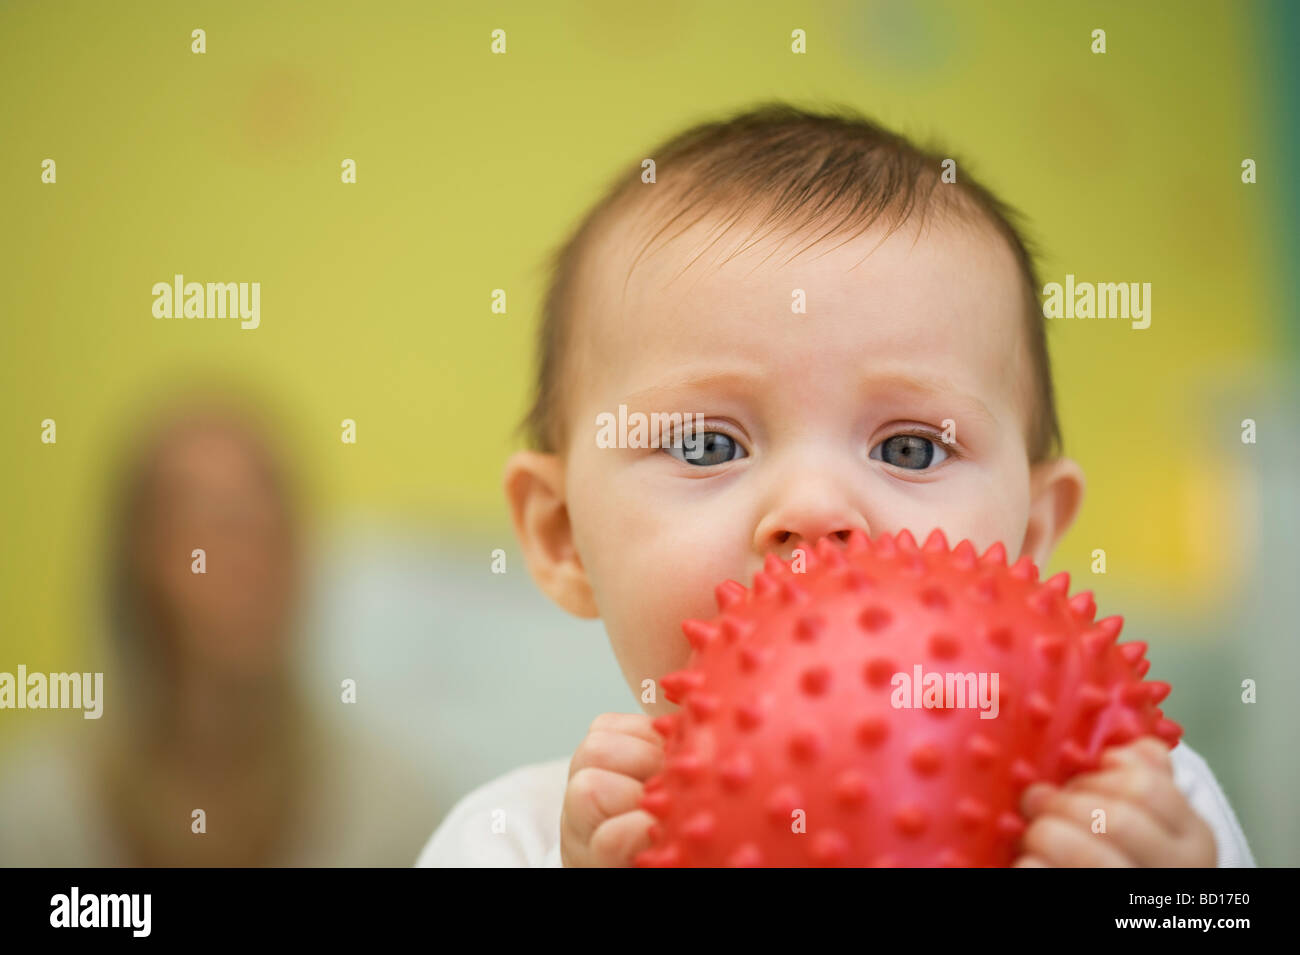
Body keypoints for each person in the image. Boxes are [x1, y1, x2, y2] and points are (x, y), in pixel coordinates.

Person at [415, 103, 1254, 868]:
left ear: (1031, 535)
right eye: (708, 444)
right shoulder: (511, 839)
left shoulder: (1135, 797)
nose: (815, 509)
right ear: (562, 536)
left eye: (913, 449)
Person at [0, 394, 442, 866]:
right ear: (136, 561)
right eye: (211, 522)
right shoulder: (37, 820)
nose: (247, 558)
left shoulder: (393, 821)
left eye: (268, 522)